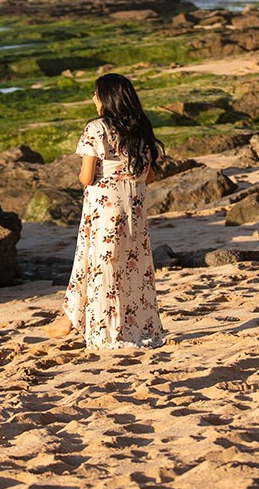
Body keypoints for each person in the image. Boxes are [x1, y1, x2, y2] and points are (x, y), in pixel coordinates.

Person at [42, 73, 167, 349]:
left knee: (101, 264)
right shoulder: (140, 127)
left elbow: (86, 177)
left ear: (106, 98)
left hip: (105, 204)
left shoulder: (96, 128)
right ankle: (78, 319)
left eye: (96, 93)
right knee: (132, 265)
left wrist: (100, 175)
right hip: (133, 204)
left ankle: (104, 329)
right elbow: (149, 175)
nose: (93, 98)